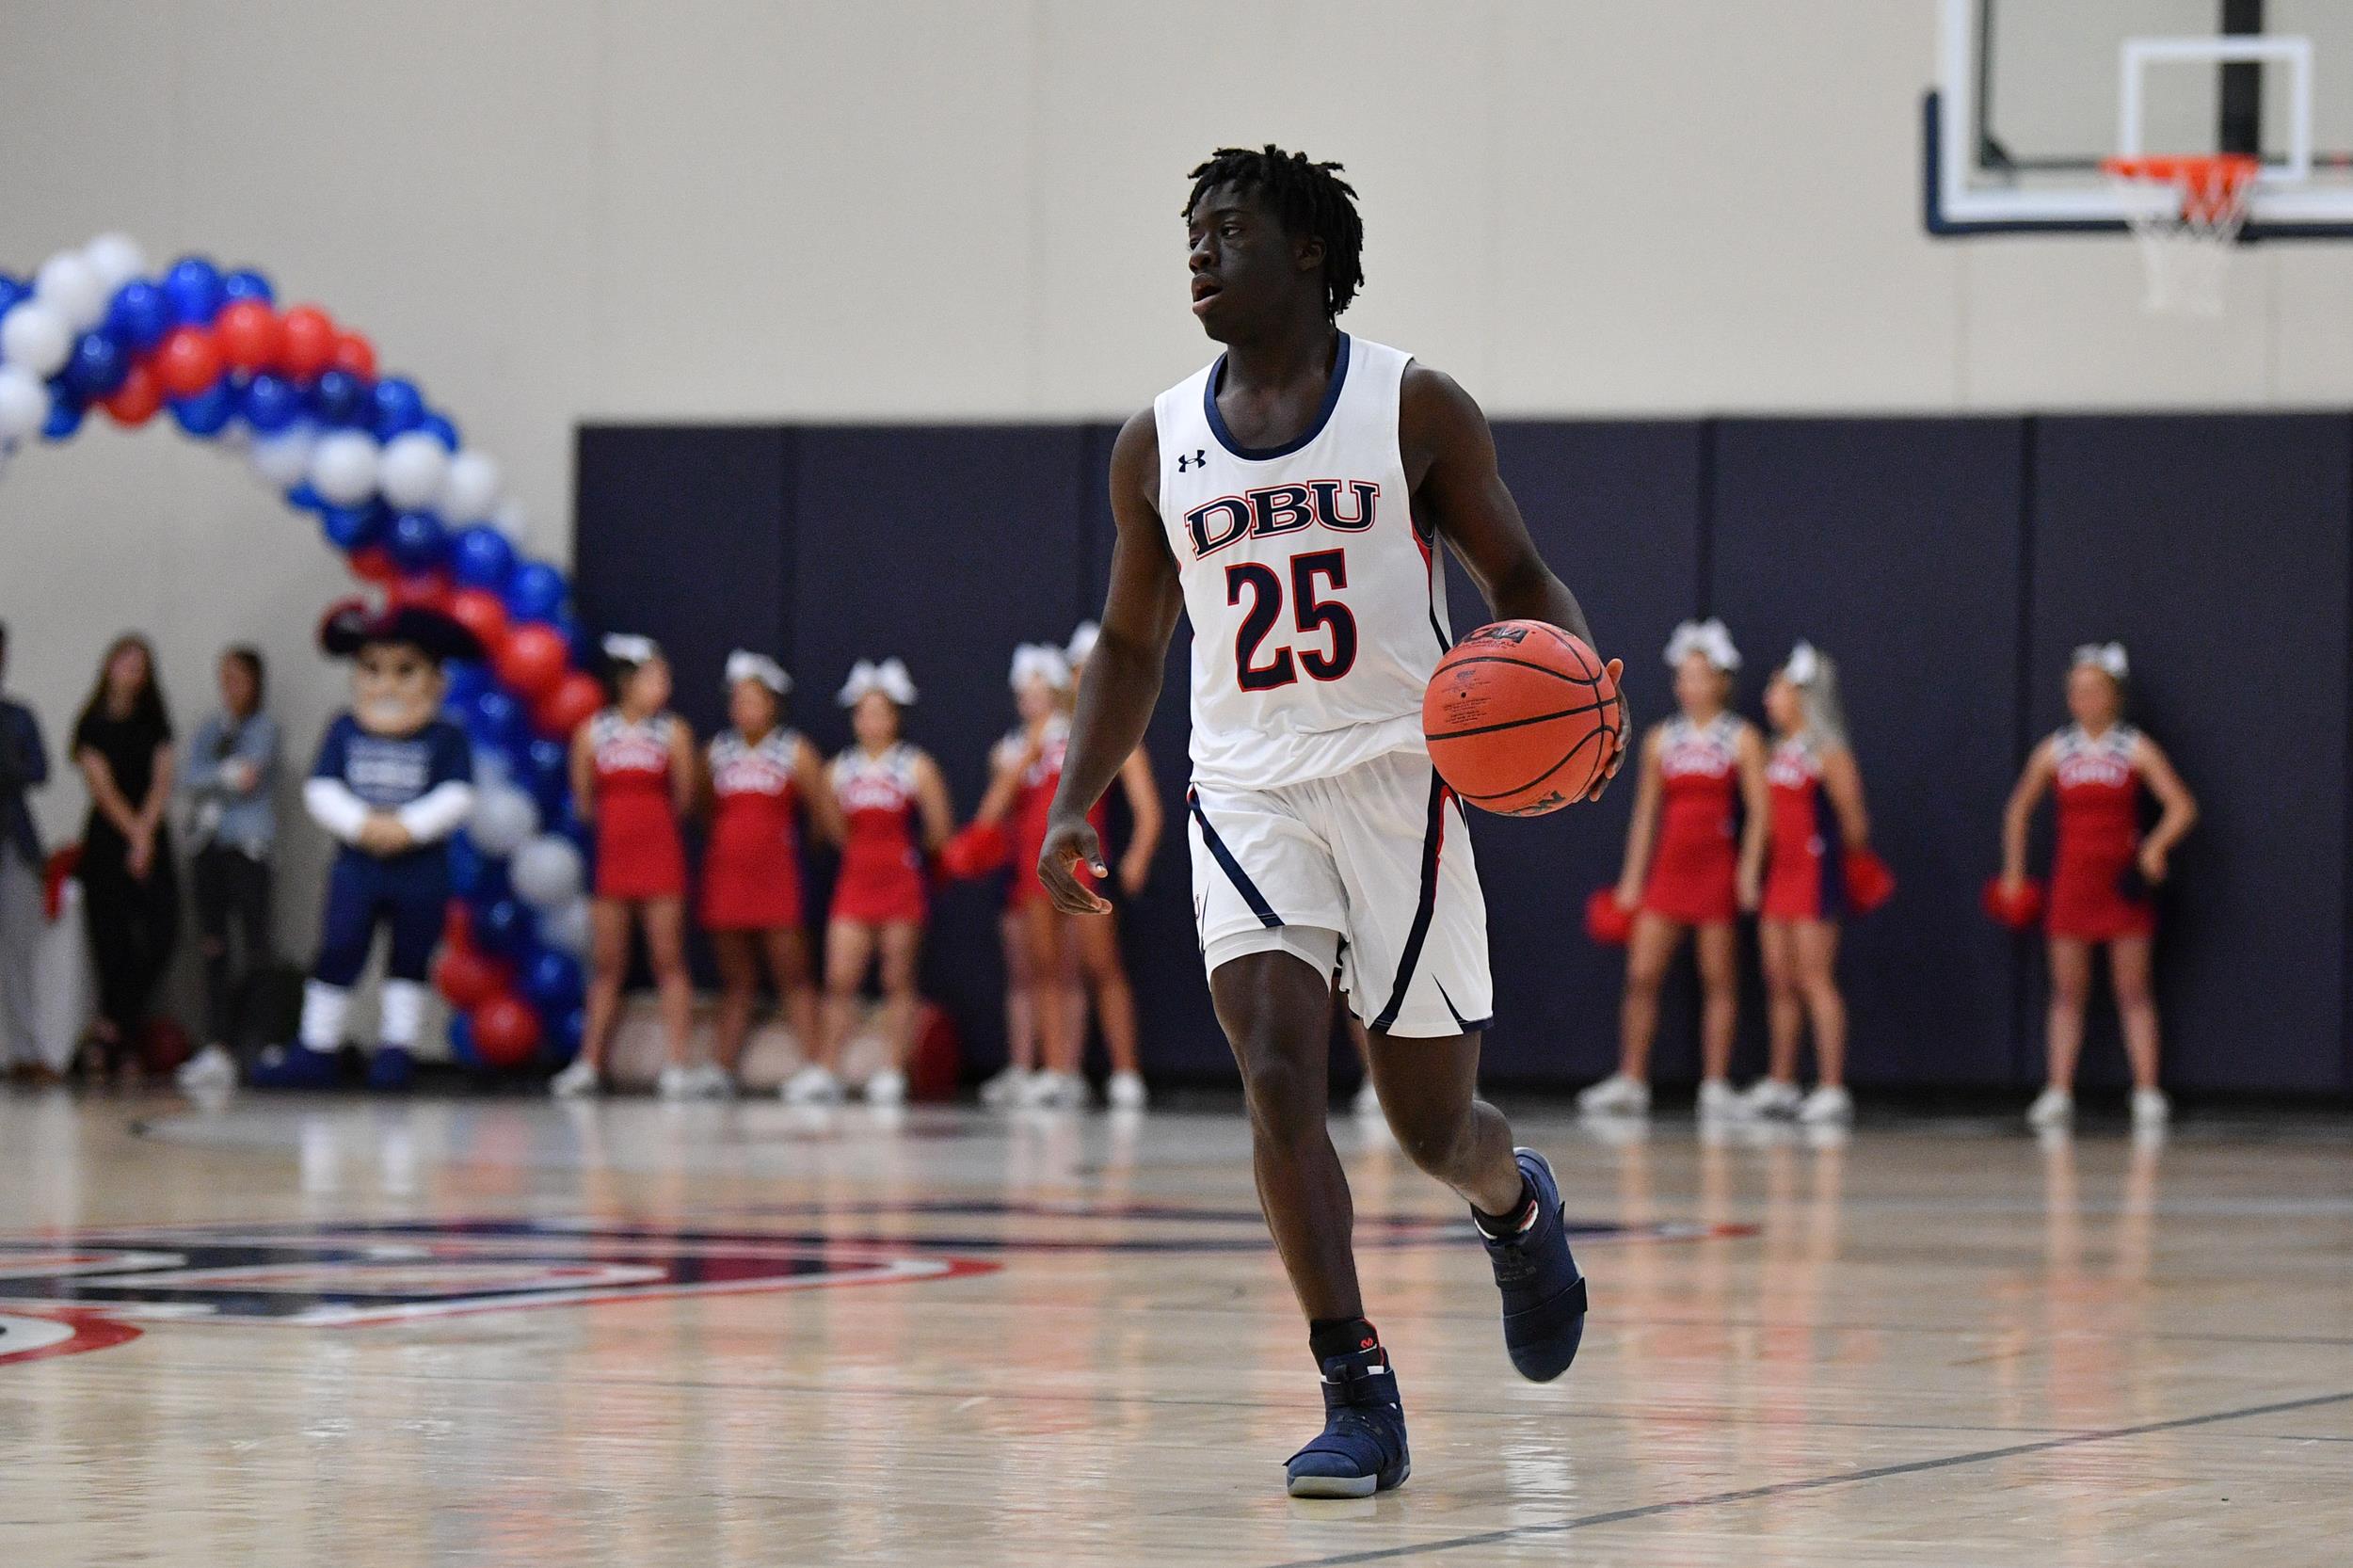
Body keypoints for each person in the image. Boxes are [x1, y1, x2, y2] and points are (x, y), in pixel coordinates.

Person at [1036, 145, 1625, 1497]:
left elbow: (1519, 574)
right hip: (1247, 788)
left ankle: (1513, 1200)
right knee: (1277, 1071)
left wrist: (1582, 693)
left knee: (1432, 1127)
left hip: (1403, 778)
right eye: (1190, 233)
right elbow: (1129, 644)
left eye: (1229, 229)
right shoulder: (1155, 443)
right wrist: (1074, 796)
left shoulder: (1412, 405)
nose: (1200, 252)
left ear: (1306, 250)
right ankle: (1354, 1386)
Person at [249, 603, 479, 1090]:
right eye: (373, 670)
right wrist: (362, 825)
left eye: (405, 671)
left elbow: (458, 794)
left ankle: (397, 1050)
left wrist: (409, 828)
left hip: (421, 870)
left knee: (410, 957)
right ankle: (317, 1047)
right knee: (339, 947)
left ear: (436, 680)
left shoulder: (446, 737)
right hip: (357, 867)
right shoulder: (344, 730)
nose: (387, 685)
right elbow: (322, 788)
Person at [2000, 642, 2198, 1131]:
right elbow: (2018, 810)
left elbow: (2181, 806)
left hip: (2122, 886)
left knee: (2134, 990)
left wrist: (2154, 847)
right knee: (2067, 992)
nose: (2083, 699)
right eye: (2076, 690)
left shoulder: (2134, 747)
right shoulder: (2055, 750)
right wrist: (2014, 872)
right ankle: (2058, 1090)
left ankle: (2147, 1091)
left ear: (2114, 695)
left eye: (2093, 690)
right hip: (2072, 883)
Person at [1579, 619, 1766, 1121]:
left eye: (1699, 676)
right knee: (1642, 974)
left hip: (1716, 870)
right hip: (1668, 871)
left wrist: (1748, 871)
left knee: (1719, 978)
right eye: (1682, 676)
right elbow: (1646, 814)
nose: (1688, 686)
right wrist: (1631, 880)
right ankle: (1632, 1078)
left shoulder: (1742, 738)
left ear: (1721, 680)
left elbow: (1760, 813)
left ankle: (1716, 1085)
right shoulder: (1661, 738)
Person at [784, 658, 951, 1106]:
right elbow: (832, 830)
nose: (871, 722)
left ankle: (893, 1070)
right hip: (855, 882)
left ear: (895, 717)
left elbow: (939, 830)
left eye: (880, 713)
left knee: (898, 978)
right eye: (863, 713)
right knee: (840, 977)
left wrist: (907, 856)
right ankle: (825, 1068)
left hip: (901, 882)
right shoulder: (838, 770)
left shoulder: (915, 766)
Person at [551, 636, 698, 1098]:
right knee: (607, 964)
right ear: (626, 682)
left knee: (668, 959)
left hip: (661, 858)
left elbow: (686, 798)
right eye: (655, 677)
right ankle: (589, 1063)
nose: (664, 686)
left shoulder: (673, 733)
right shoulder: (592, 733)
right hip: (613, 860)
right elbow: (584, 803)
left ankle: (678, 1064)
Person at [1741, 642, 1869, 1127]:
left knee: (1816, 978)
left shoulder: (1829, 753)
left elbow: (1855, 825)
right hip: (1781, 874)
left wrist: (1826, 855)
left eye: (1778, 688)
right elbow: (1765, 819)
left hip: (1815, 875)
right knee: (1779, 979)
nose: (1769, 697)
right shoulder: (1776, 751)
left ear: (1804, 695)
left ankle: (1833, 1086)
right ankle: (1782, 1080)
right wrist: (1754, 869)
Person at [699, 650, 832, 1095]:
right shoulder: (716, 752)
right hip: (728, 878)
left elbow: (821, 817)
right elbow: (703, 808)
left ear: (772, 703)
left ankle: (816, 1066)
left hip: (778, 877)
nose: (744, 708)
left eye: (754, 699)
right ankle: (721, 1067)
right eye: (738, 700)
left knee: (793, 973)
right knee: (735, 978)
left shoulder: (794, 751)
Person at [1046, 619, 1164, 1111]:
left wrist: (1138, 856)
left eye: (1090, 670)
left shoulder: (1118, 735)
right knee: (1057, 971)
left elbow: (1148, 809)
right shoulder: (1044, 738)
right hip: (1043, 870)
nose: (1083, 680)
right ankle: (1062, 1071)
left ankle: (1125, 1071)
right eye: (1076, 671)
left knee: (1103, 968)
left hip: (1090, 868)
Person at [173, 647, 281, 1093]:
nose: (230, 686)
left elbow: (248, 777)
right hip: (209, 847)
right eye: (224, 677)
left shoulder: (263, 729)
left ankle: (261, 1041)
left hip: (248, 847)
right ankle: (218, 1043)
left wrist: (217, 776)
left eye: (238, 677)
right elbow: (189, 778)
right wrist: (224, 775)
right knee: (213, 946)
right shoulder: (210, 729)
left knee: (256, 946)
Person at [72, 634, 179, 1080]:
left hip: (151, 834)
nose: (133, 670)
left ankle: (112, 1026)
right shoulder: (92, 725)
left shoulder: (155, 722)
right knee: (111, 937)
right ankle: (122, 1038)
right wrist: (133, 834)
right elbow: (102, 788)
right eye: (126, 661)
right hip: (108, 836)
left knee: (161, 930)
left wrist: (146, 835)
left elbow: (161, 781)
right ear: (109, 666)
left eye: (141, 664)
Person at [971, 644, 1070, 1109]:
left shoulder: (1073, 738)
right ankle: (1035, 1066)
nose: (1031, 699)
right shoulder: (1010, 749)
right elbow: (990, 814)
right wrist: (1025, 756)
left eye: (1040, 690)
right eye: (1024, 692)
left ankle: (1066, 1070)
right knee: (1031, 970)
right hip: (1024, 870)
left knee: (1078, 970)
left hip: (1074, 866)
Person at [0, 621, 55, 1082]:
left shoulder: (18, 717)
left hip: (14, 842)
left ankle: (26, 1051)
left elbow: (39, 770)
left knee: (19, 952)